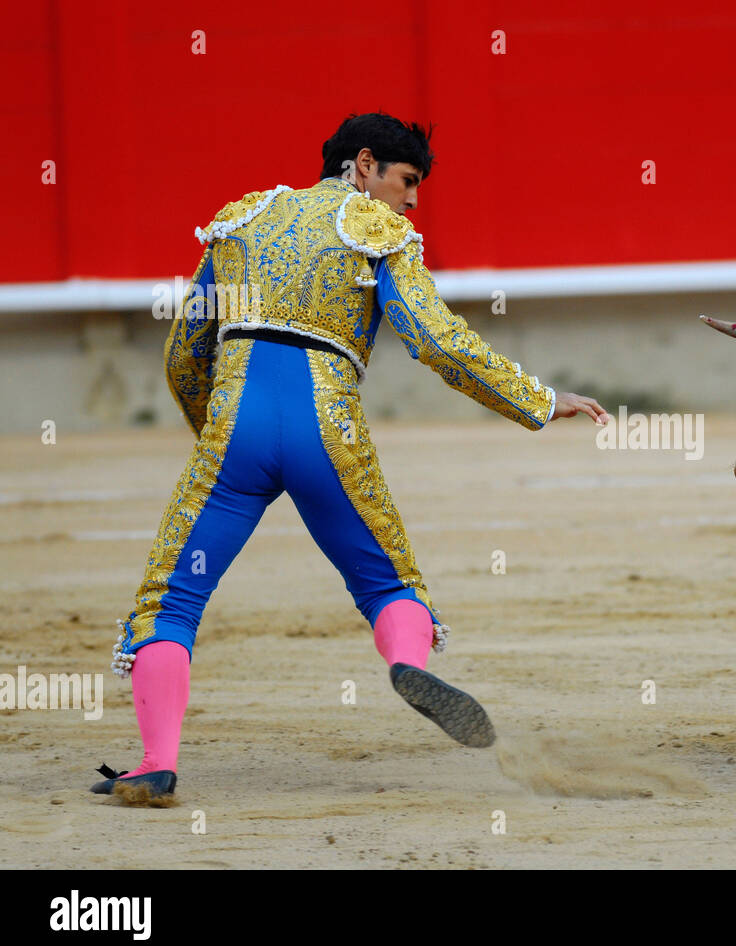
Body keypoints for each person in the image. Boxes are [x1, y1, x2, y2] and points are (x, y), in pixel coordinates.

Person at [92, 112, 608, 800]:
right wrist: (539, 399)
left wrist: (215, 441)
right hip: (325, 428)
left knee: (171, 601)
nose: (413, 199)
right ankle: (405, 662)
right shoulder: (379, 231)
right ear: (363, 165)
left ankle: (155, 763)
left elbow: (186, 349)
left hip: (234, 426)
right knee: (389, 584)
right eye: (408, 179)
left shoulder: (240, 220)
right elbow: (436, 341)